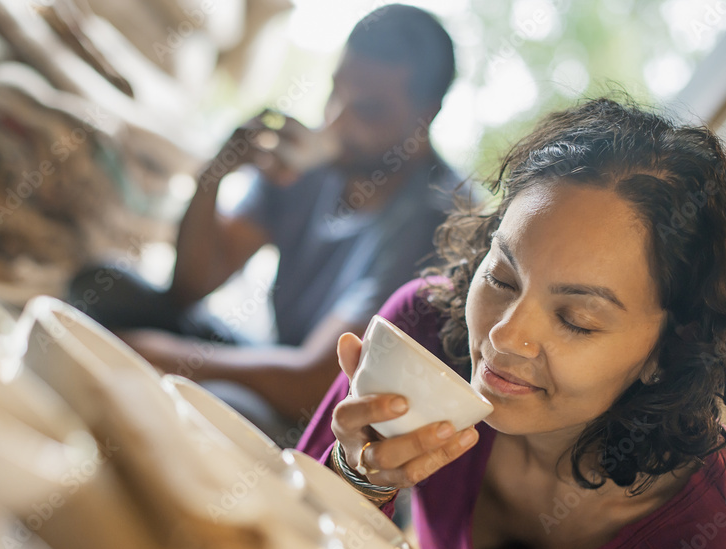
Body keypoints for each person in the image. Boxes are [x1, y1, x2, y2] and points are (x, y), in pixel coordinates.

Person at [298, 97, 726, 549]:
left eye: (575, 319)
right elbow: (282, 543)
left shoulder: (720, 546)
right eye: (503, 277)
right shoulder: (427, 335)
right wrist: (357, 479)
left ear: (672, 351)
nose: (505, 337)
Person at [67, 4, 460, 444]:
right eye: (335, 95)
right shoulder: (307, 170)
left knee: (225, 406)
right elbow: (190, 289)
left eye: (366, 111)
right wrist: (213, 177)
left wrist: (157, 355)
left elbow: (314, 385)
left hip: (337, 426)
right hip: (278, 364)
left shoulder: (438, 221)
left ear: (424, 118)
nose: (336, 120)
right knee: (101, 287)